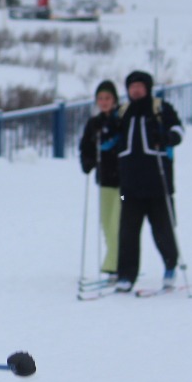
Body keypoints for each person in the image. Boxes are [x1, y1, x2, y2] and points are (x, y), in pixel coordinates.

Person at [114, 70, 184, 292]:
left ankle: (170, 265)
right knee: (127, 231)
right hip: (128, 186)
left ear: (147, 88)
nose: (136, 90)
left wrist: (166, 138)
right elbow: (110, 135)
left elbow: (178, 130)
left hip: (158, 183)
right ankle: (125, 275)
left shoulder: (160, 108)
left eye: (140, 86)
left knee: (163, 228)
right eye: (132, 86)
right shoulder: (122, 112)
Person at [79, 80, 122, 281]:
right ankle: (116, 262)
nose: (104, 102)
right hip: (104, 181)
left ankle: (113, 266)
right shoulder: (94, 123)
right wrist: (87, 162)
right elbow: (85, 147)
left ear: (114, 100)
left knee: (117, 223)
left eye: (107, 98)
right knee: (106, 223)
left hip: (124, 184)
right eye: (100, 99)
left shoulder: (121, 119)